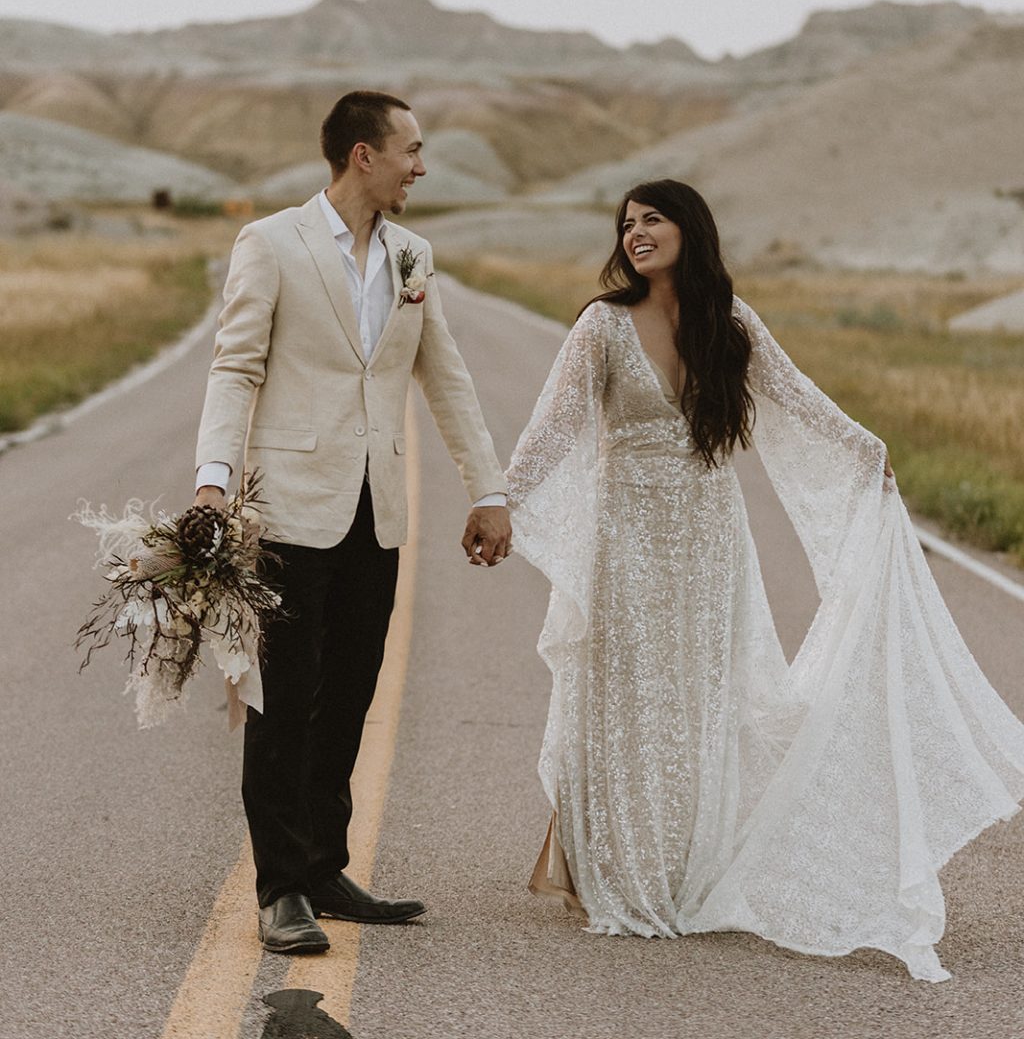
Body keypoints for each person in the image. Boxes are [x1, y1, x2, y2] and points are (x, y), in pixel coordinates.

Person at [507, 179, 1024, 982]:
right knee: (621, 695)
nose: (636, 232)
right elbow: (553, 428)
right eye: (627, 223)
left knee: (696, 704)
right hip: (626, 538)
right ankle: (608, 865)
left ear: (690, 229)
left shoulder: (732, 323)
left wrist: (868, 451)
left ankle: (683, 866)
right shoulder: (601, 326)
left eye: (653, 219)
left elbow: (797, 397)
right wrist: (502, 500)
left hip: (709, 541)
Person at [193, 90, 512, 954]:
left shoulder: (413, 255)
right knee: (284, 702)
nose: (422, 167)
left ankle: (324, 867)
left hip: (378, 514)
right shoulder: (271, 243)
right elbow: (235, 367)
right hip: (291, 510)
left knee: (349, 697)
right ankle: (280, 889)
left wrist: (488, 490)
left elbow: (445, 377)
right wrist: (214, 481)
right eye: (412, 150)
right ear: (363, 155)